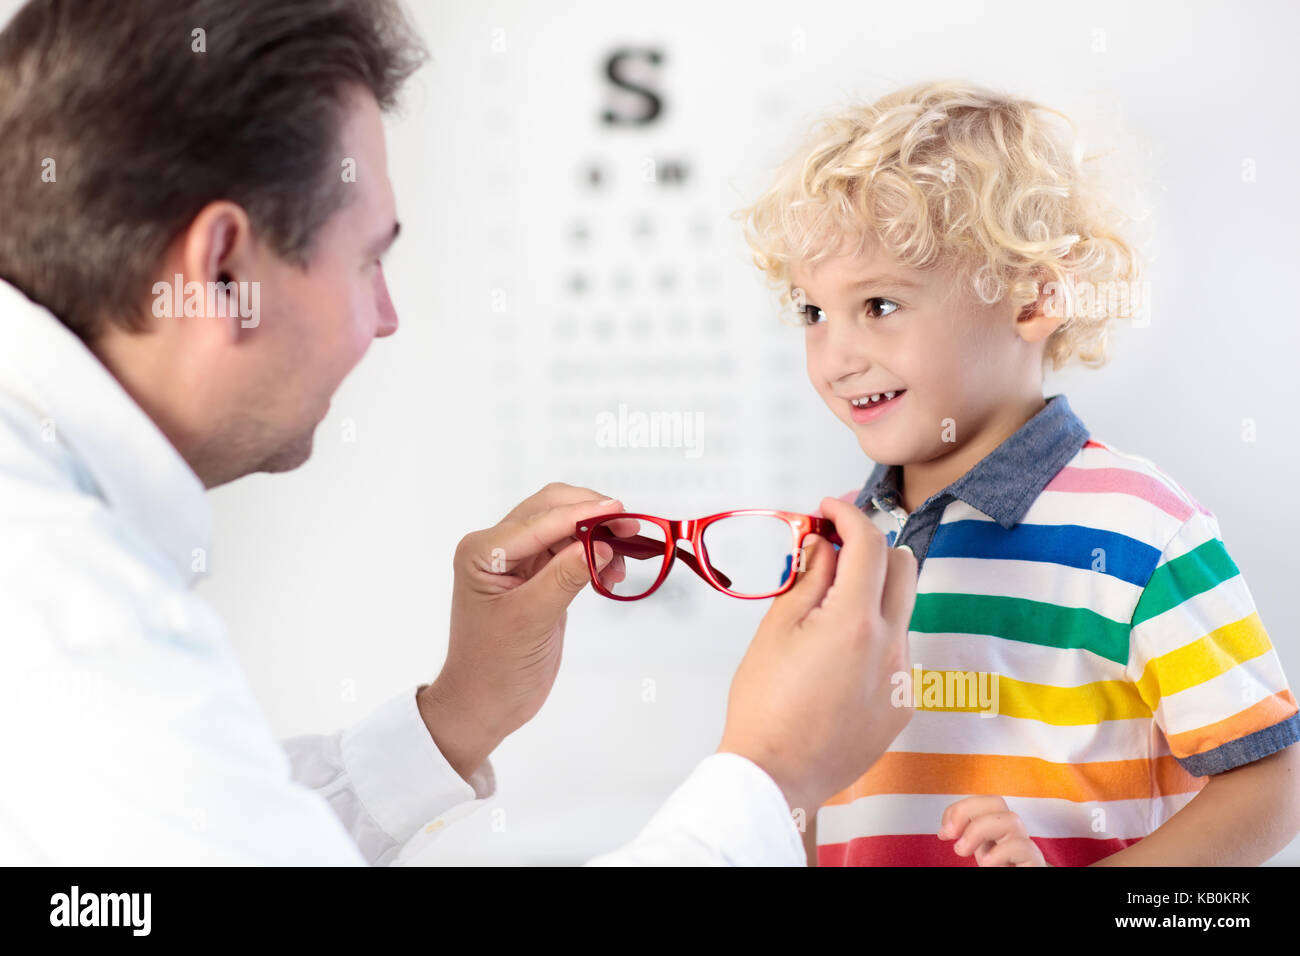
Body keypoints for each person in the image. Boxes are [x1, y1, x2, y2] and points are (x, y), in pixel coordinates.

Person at [0, 0, 918, 865]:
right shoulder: (71, 619)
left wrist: (455, 719)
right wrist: (770, 776)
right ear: (224, 271)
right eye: (368, 261)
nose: (387, 315)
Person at [736, 80, 1300, 866]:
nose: (836, 356)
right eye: (813, 313)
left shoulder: (1143, 529)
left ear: (1034, 297)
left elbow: (1271, 783)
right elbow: (787, 781)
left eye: (881, 305)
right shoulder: (836, 551)